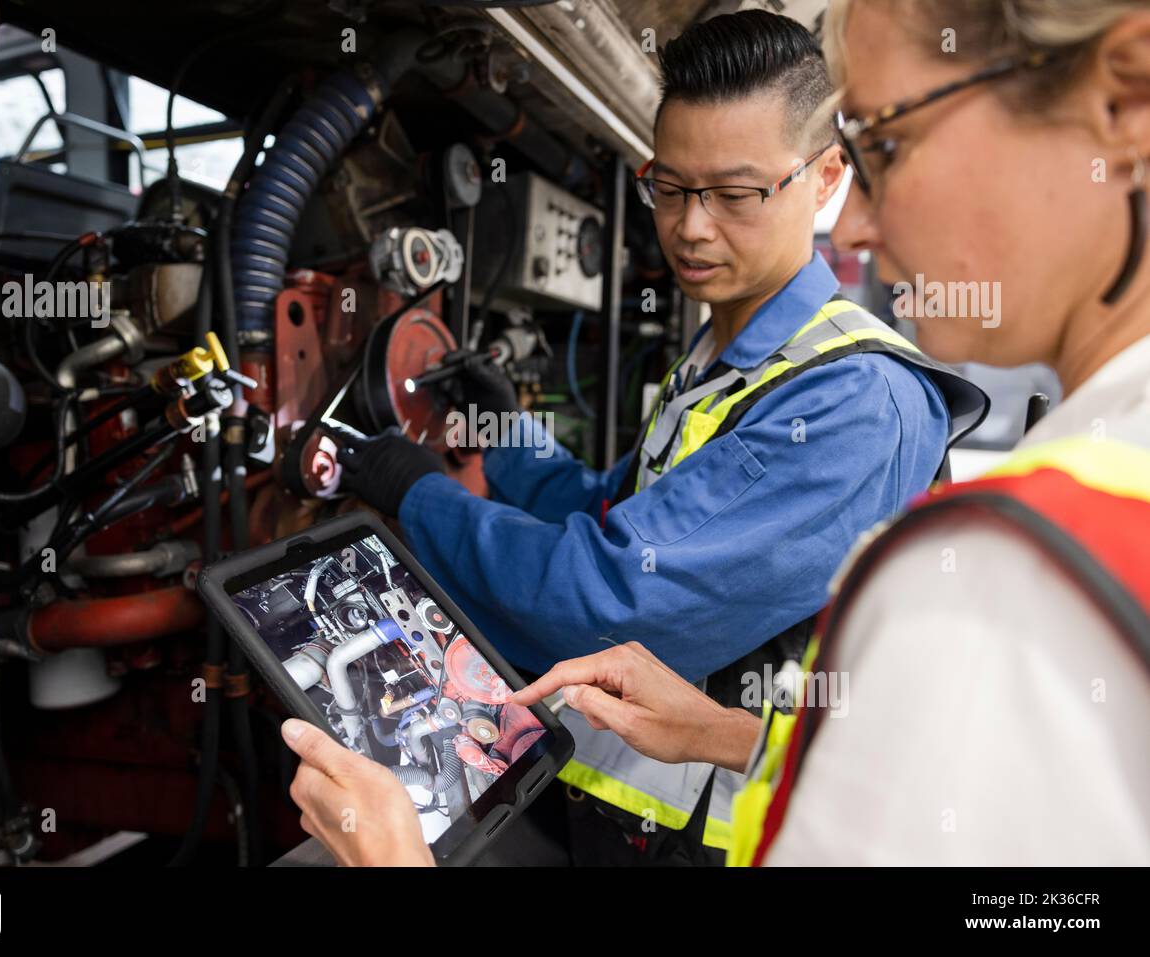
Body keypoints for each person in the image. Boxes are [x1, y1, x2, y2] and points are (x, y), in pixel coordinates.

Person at [286, 0, 1150, 866]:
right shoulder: (715, 358)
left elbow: (606, 596)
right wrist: (503, 428)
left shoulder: (857, 397)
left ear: (823, 177)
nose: (691, 227)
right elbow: (613, 513)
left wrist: (415, 491)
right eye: (670, 188)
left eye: (735, 194)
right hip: (607, 799)